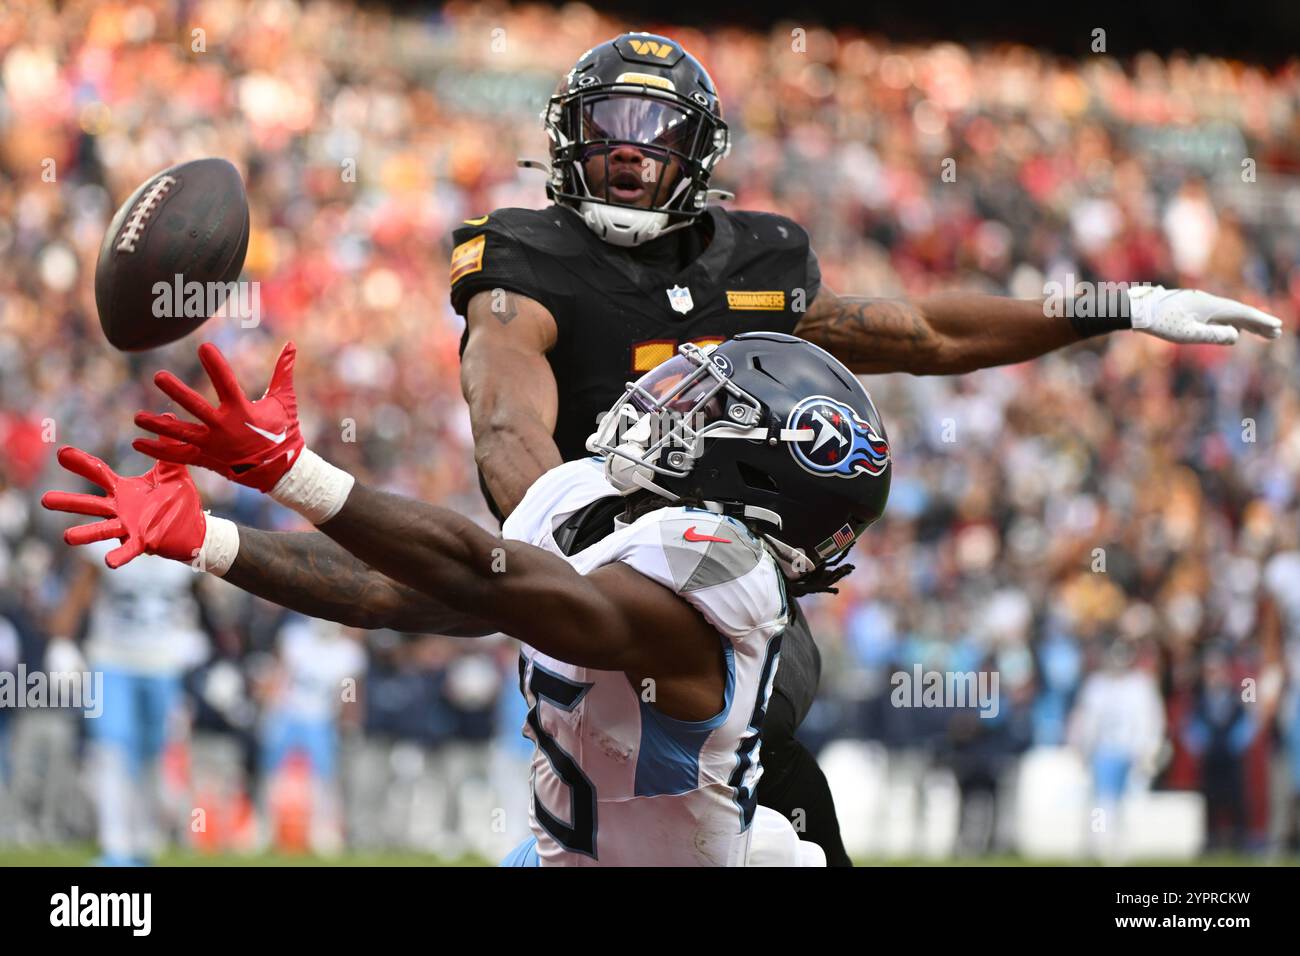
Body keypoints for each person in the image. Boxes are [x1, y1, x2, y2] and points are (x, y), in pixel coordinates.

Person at [449, 32, 1283, 864]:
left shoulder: (754, 261)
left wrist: (1121, 304)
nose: (628, 149)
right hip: (587, 566)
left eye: (653, 127)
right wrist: (564, 554)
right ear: (566, 134)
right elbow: (505, 422)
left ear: (699, 151)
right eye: (608, 122)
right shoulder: (528, 259)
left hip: (719, 586)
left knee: (729, 783)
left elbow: (924, 332)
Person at [45, 332, 889, 865]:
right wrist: (207, 540)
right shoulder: (597, 498)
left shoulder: (724, 568)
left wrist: (292, 474)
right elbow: (400, 590)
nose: (670, 406)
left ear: (758, 474)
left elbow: (513, 583)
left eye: (710, 411)